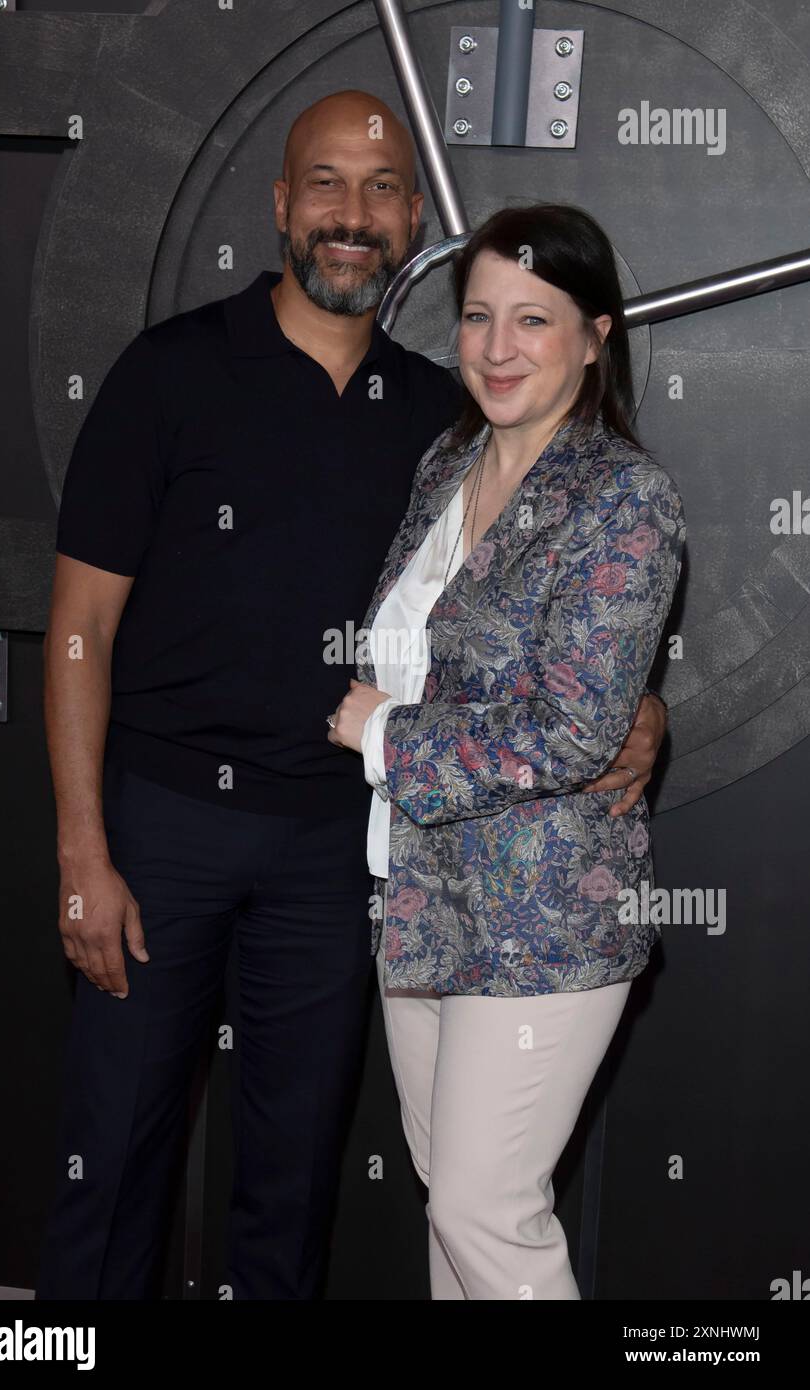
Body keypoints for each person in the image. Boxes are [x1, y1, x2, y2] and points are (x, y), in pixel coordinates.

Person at [36, 90, 667, 1301]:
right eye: (324, 184)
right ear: (279, 206)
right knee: (109, 1157)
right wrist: (83, 849)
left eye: (380, 191)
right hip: (161, 827)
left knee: (294, 1177)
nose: (351, 214)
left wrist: (640, 709)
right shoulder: (167, 375)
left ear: (410, 221)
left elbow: (542, 633)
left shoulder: (444, 418)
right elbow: (79, 629)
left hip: (341, 851)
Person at [327, 203, 686, 1300]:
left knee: (486, 1210)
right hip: (421, 895)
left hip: (545, 916)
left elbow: (576, 728)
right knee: (451, 1199)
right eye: (477, 316)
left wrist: (382, 732)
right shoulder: (447, 464)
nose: (494, 347)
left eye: (531, 319)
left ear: (595, 334)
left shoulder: (622, 496)